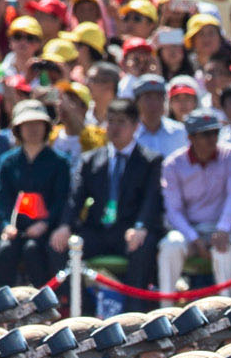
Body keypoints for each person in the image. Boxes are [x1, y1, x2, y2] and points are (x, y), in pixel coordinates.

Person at [63, 96, 163, 310]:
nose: (115, 127)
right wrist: (64, 227)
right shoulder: (91, 160)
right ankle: (83, 312)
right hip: (98, 230)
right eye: (111, 121)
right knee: (62, 245)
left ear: (135, 126)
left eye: (122, 122)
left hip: (129, 231)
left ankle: (134, 316)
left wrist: (140, 227)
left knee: (144, 246)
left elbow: (151, 199)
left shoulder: (150, 160)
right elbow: (75, 198)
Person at [159, 106, 231, 297]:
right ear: (190, 138)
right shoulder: (173, 164)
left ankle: (229, 312)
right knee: (170, 245)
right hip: (189, 230)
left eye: (215, 133)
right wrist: (193, 238)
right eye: (205, 134)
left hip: (223, 229)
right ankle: (165, 309)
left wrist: (222, 229)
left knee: (222, 248)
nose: (212, 139)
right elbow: (173, 210)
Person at [0, 100, 70, 286]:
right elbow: (3, 199)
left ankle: (44, 303)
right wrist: (7, 226)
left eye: (38, 124)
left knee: (32, 249)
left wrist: (45, 223)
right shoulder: (7, 162)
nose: (33, 129)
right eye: (27, 125)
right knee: (5, 250)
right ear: (18, 129)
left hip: (45, 230)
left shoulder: (59, 162)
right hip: (15, 230)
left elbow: (62, 198)